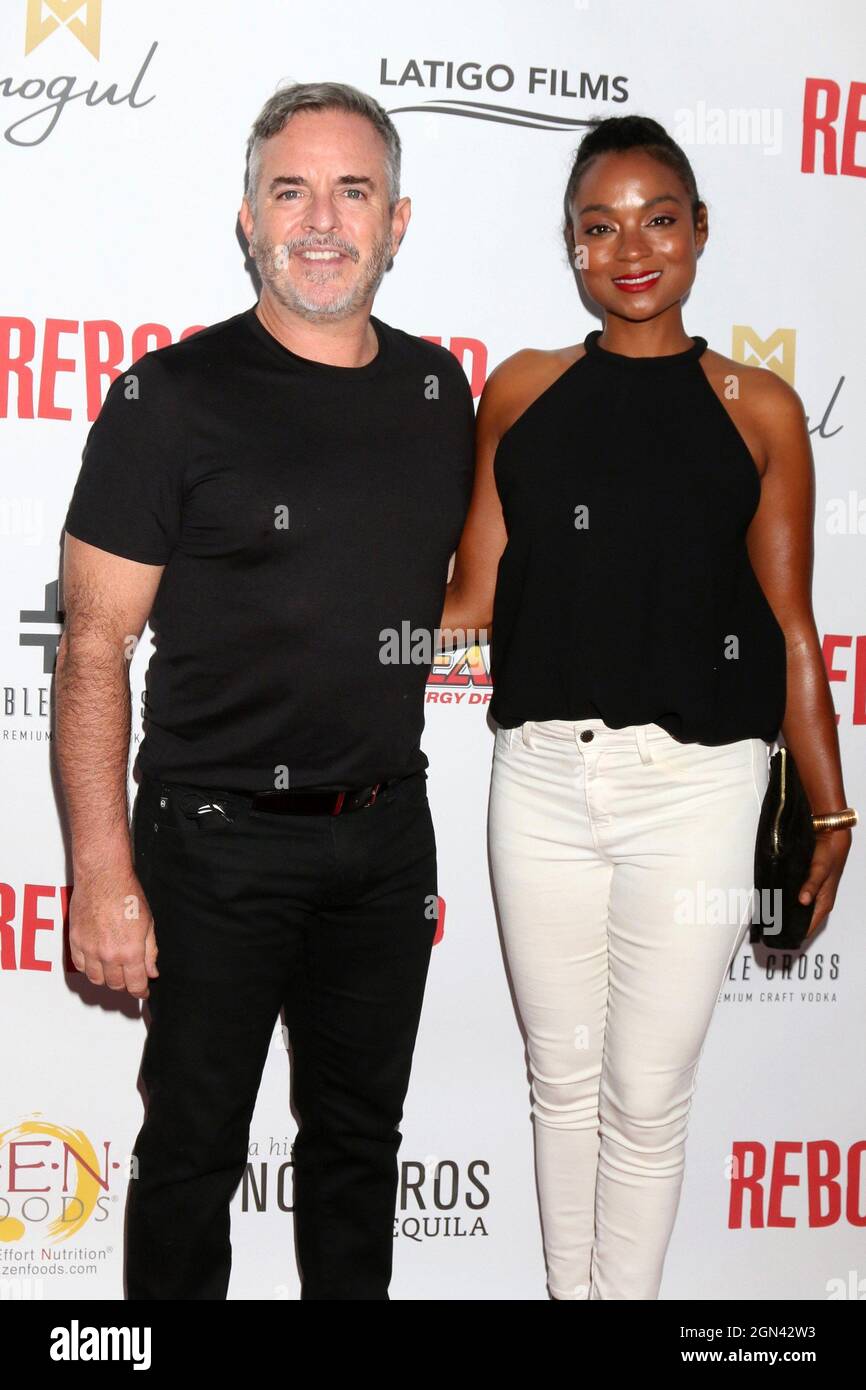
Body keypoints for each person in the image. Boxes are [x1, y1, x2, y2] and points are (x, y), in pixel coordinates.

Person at [56, 81, 475, 1300]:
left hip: (386, 840)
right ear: (247, 216)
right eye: (290, 189)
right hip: (210, 846)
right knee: (190, 1157)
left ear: (398, 222)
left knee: (360, 1150)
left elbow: (450, 601)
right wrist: (100, 872)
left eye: (354, 191)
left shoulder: (439, 394)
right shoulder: (166, 399)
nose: (322, 220)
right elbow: (92, 648)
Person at [441, 114, 855, 1300]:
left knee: (644, 1095)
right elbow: (468, 599)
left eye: (657, 218)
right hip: (537, 780)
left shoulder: (757, 406)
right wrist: (322, 597)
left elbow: (786, 626)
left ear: (699, 232)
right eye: (599, 224)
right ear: (569, 246)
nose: (631, 247)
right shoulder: (519, 390)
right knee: (558, 1082)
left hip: (699, 792)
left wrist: (828, 816)